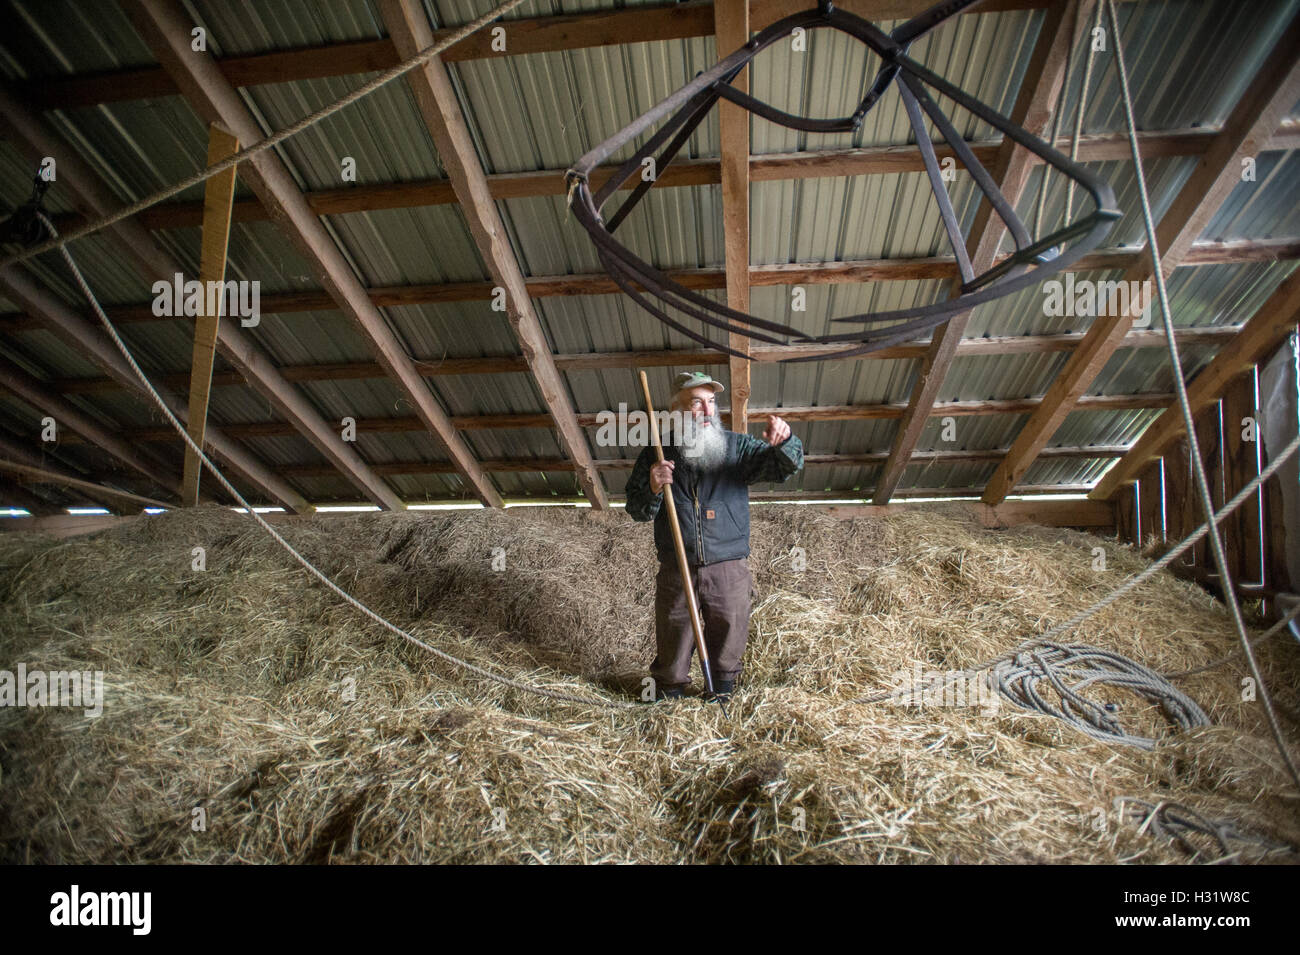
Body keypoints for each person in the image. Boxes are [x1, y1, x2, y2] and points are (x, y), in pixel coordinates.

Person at [625, 371, 804, 701]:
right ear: (677, 411)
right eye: (696, 403)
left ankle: (721, 692)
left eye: (711, 402)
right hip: (677, 567)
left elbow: (784, 468)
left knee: (728, 632)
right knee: (674, 634)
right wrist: (652, 486)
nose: (708, 412)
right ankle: (670, 696)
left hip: (728, 567)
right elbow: (636, 509)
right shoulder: (657, 454)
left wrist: (786, 442)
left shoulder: (736, 448)